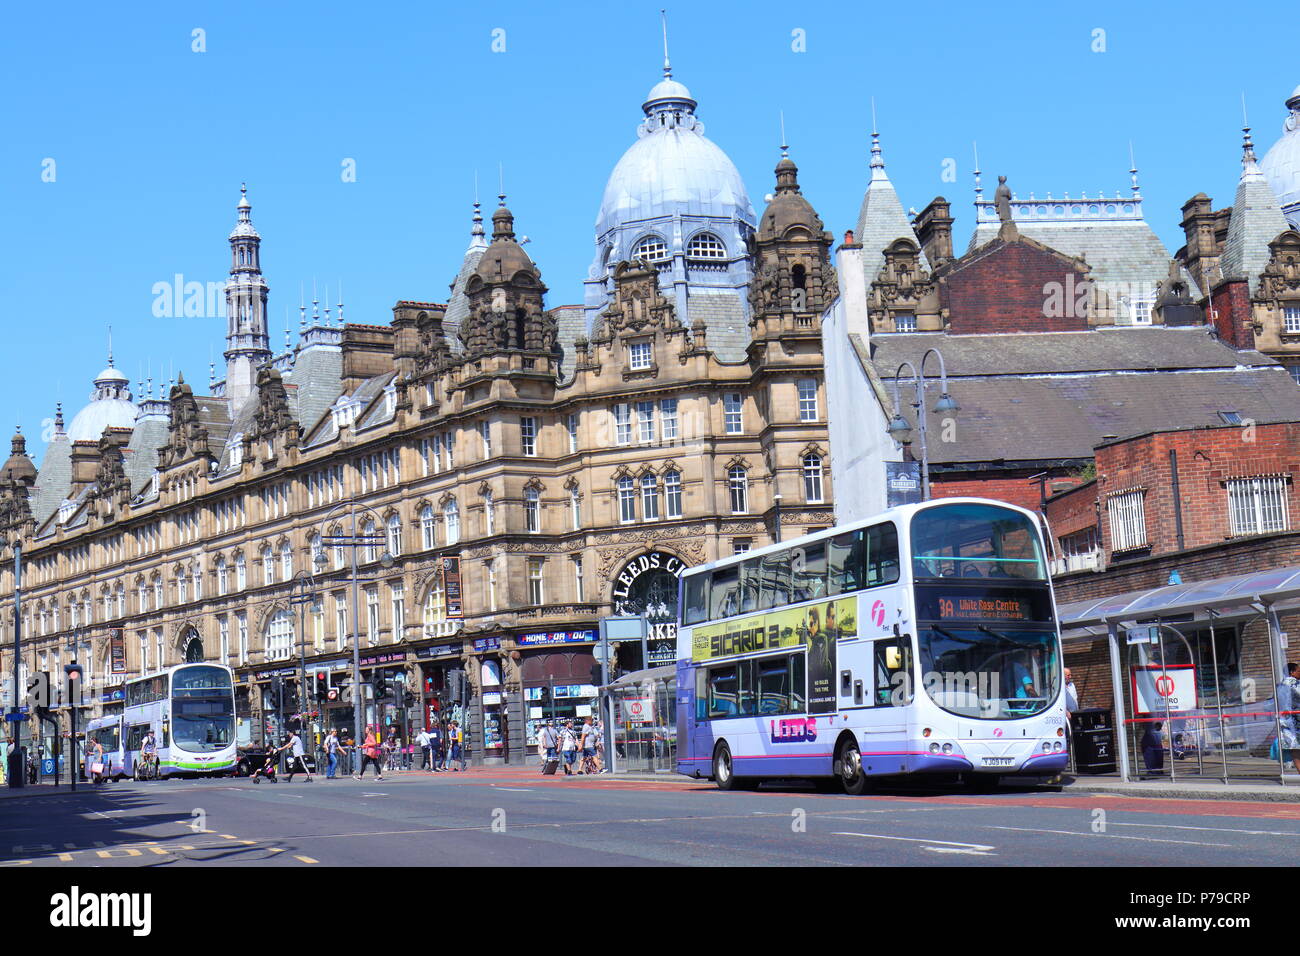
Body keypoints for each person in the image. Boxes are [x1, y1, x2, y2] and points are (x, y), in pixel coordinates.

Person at [1278, 662, 1300, 774]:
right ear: (1291, 672)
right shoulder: (1293, 683)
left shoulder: (1280, 684)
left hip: (1286, 720)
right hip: (1296, 720)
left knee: (1294, 748)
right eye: (1298, 671)